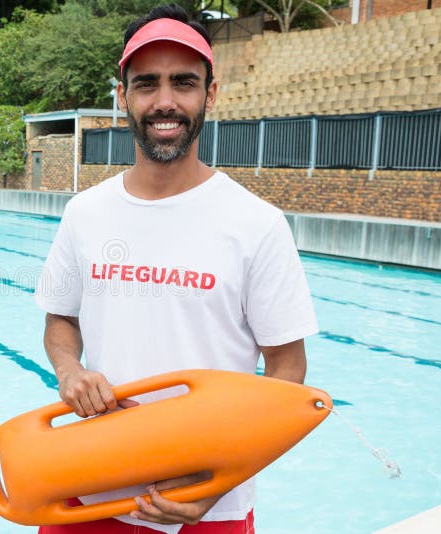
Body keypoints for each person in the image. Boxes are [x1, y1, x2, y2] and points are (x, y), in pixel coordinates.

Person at [33, 5, 318, 534]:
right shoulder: (85, 213)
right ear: (122, 96)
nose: (165, 102)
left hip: (207, 508)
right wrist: (70, 373)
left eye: (183, 83)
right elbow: (60, 321)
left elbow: (287, 372)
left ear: (210, 93)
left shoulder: (257, 224)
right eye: (146, 84)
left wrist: (220, 479)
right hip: (89, 487)